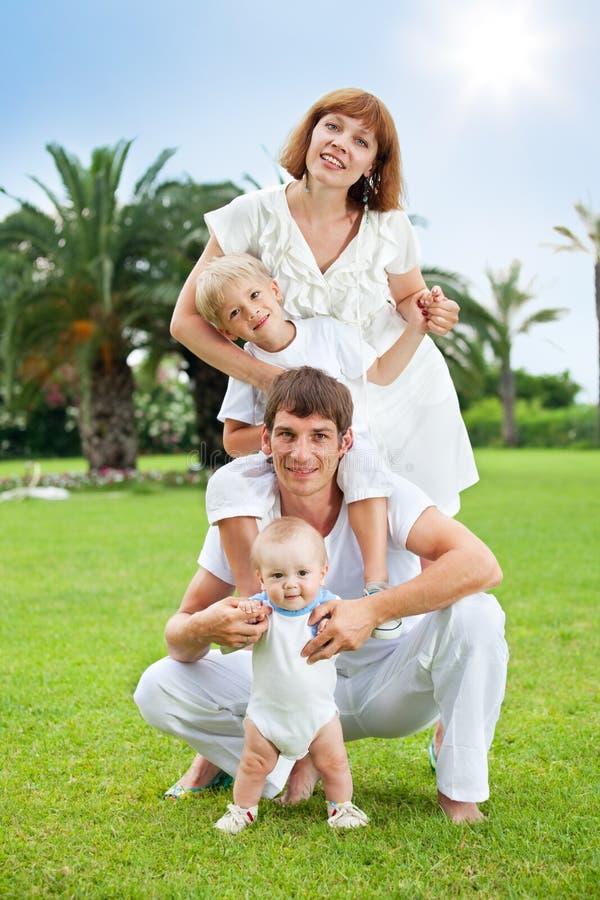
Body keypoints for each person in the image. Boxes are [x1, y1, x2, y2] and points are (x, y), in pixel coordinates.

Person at [134, 367, 508, 825]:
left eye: (320, 436)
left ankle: (459, 794)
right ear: (266, 440)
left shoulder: (386, 493)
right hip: (288, 692)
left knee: (478, 612)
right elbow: (179, 633)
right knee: (158, 686)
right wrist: (204, 627)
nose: (301, 453)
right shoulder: (246, 512)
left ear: (344, 443)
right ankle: (283, 763)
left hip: (386, 684)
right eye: (287, 435)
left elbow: (482, 565)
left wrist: (371, 610)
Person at [170, 87, 479, 517]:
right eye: (333, 126)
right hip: (305, 410)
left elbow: (410, 297)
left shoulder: (389, 225)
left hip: (396, 389)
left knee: (409, 529)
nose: (340, 143)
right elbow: (186, 321)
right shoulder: (251, 214)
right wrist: (269, 379)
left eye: (361, 141)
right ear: (311, 132)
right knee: (307, 536)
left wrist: (430, 310)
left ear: (374, 165)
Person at [195, 251, 431, 637]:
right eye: (235, 313)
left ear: (275, 290)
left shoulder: (326, 333)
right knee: (225, 482)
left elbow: (382, 372)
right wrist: (285, 434)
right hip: (285, 461)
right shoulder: (247, 364)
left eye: (254, 296)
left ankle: (376, 584)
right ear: (226, 332)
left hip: (343, 449)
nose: (251, 312)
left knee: (365, 460)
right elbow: (233, 441)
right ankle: (255, 601)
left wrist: (416, 329)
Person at [214, 517, 368, 833]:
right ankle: (243, 810)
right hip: (267, 716)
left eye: (302, 573)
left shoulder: (331, 609)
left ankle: (341, 808)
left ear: (322, 572)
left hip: (318, 715)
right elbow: (232, 635)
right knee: (253, 764)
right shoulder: (260, 610)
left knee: (334, 763)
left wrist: (329, 627)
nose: (290, 584)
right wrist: (246, 622)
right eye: (277, 575)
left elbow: (347, 631)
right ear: (261, 578)